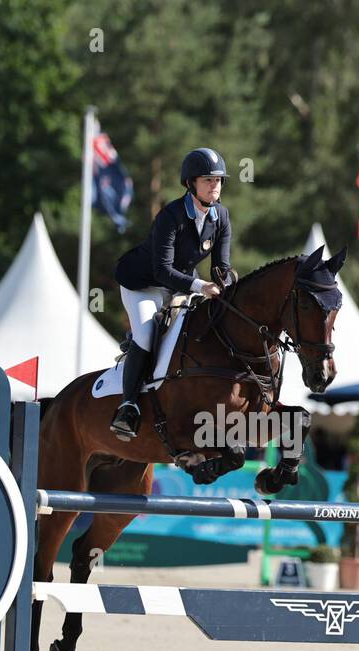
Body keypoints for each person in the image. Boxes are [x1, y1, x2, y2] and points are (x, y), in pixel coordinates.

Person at [110, 147, 233, 440]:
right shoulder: (171, 215)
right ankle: (128, 406)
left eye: (218, 180)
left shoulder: (222, 217)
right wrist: (202, 286)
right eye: (207, 180)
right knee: (146, 332)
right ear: (190, 183)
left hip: (181, 285)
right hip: (143, 284)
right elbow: (163, 271)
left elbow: (221, 268)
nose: (215, 185)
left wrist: (229, 282)